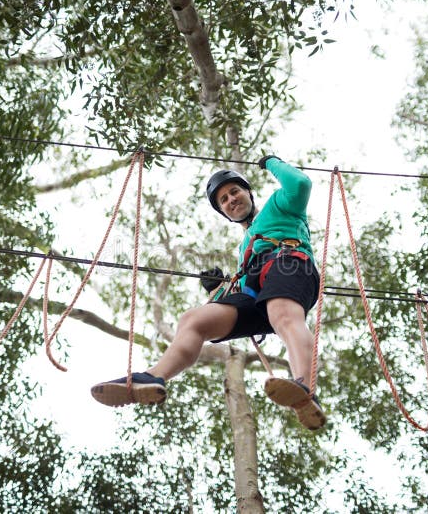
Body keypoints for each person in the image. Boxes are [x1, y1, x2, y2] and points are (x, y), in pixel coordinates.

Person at [91, 155, 326, 430]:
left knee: (282, 313)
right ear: (223, 212)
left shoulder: (279, 205)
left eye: (235, 191)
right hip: (255, 289)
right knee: (193, 320)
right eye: (224, 200)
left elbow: (300, 184)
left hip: (288, 262)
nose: (231, 200)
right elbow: (240, 293)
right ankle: (153, 376)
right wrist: (218, 289)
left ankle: (305, 388)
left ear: (249, 193)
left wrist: (272, 162)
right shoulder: (244, 248)